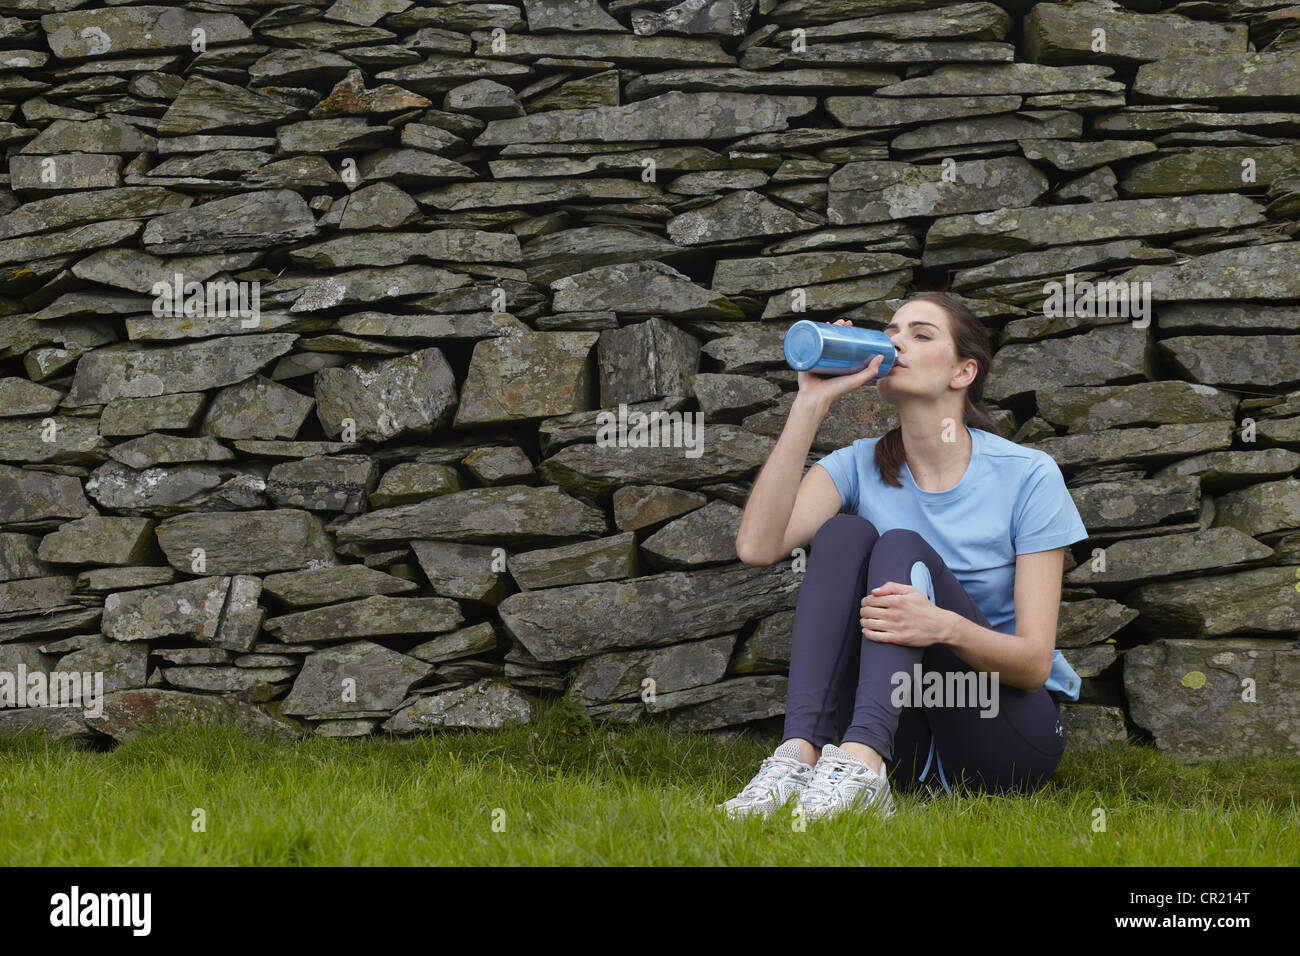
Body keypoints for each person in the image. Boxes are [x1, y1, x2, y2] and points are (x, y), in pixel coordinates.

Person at [720, 292, 1088, 821]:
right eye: (892, 331)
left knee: (899, 545)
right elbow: (757, 547)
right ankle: (802, 756)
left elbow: (1032, 665)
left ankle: (862, 762)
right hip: (903, 731)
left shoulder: (1027, 474)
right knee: (845, 534)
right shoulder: (857, 464)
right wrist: (810, 403)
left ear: (964, 371)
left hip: (1000, 732)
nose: (896, 342)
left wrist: (941, 626)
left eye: (920, 334)